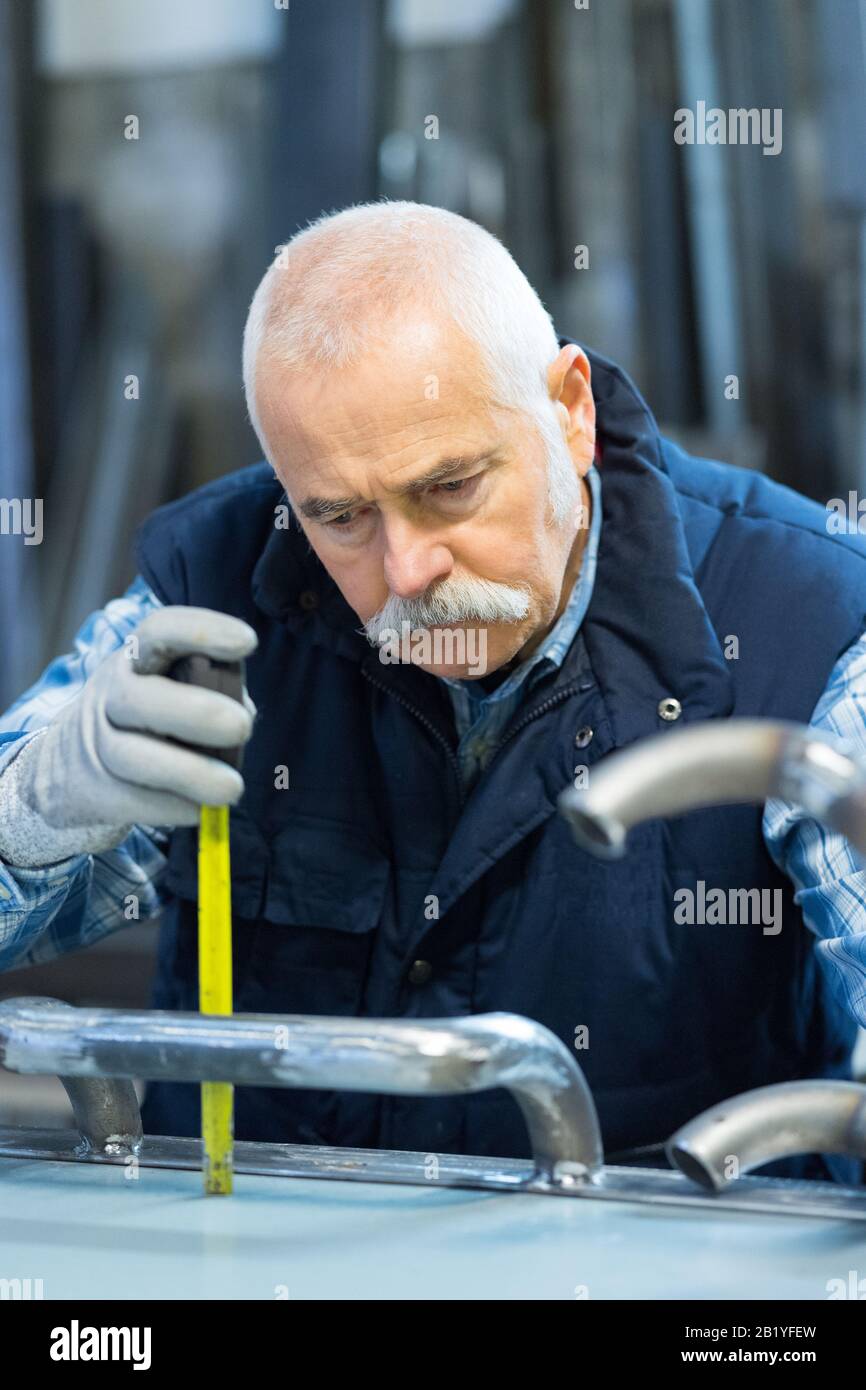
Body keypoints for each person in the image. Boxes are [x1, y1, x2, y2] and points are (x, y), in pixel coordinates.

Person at [2, 202, 865, 1182]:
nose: (405, 569)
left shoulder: (815, 628)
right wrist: (36, 805)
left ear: (569, 411)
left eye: (448, 486)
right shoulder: (216, 590)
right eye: (339, 515)